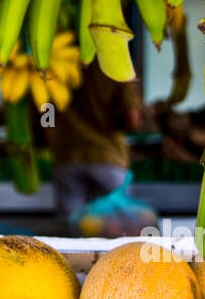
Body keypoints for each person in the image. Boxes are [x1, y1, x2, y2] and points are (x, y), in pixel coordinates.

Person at [44, 67, 157, 236]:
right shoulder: (115, 65)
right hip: (108, 157)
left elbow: (46, 118)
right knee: (118, 231)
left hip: (67, 157)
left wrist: (55, 133)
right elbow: (131, 120)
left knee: (72, 234)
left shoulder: (54, 68)